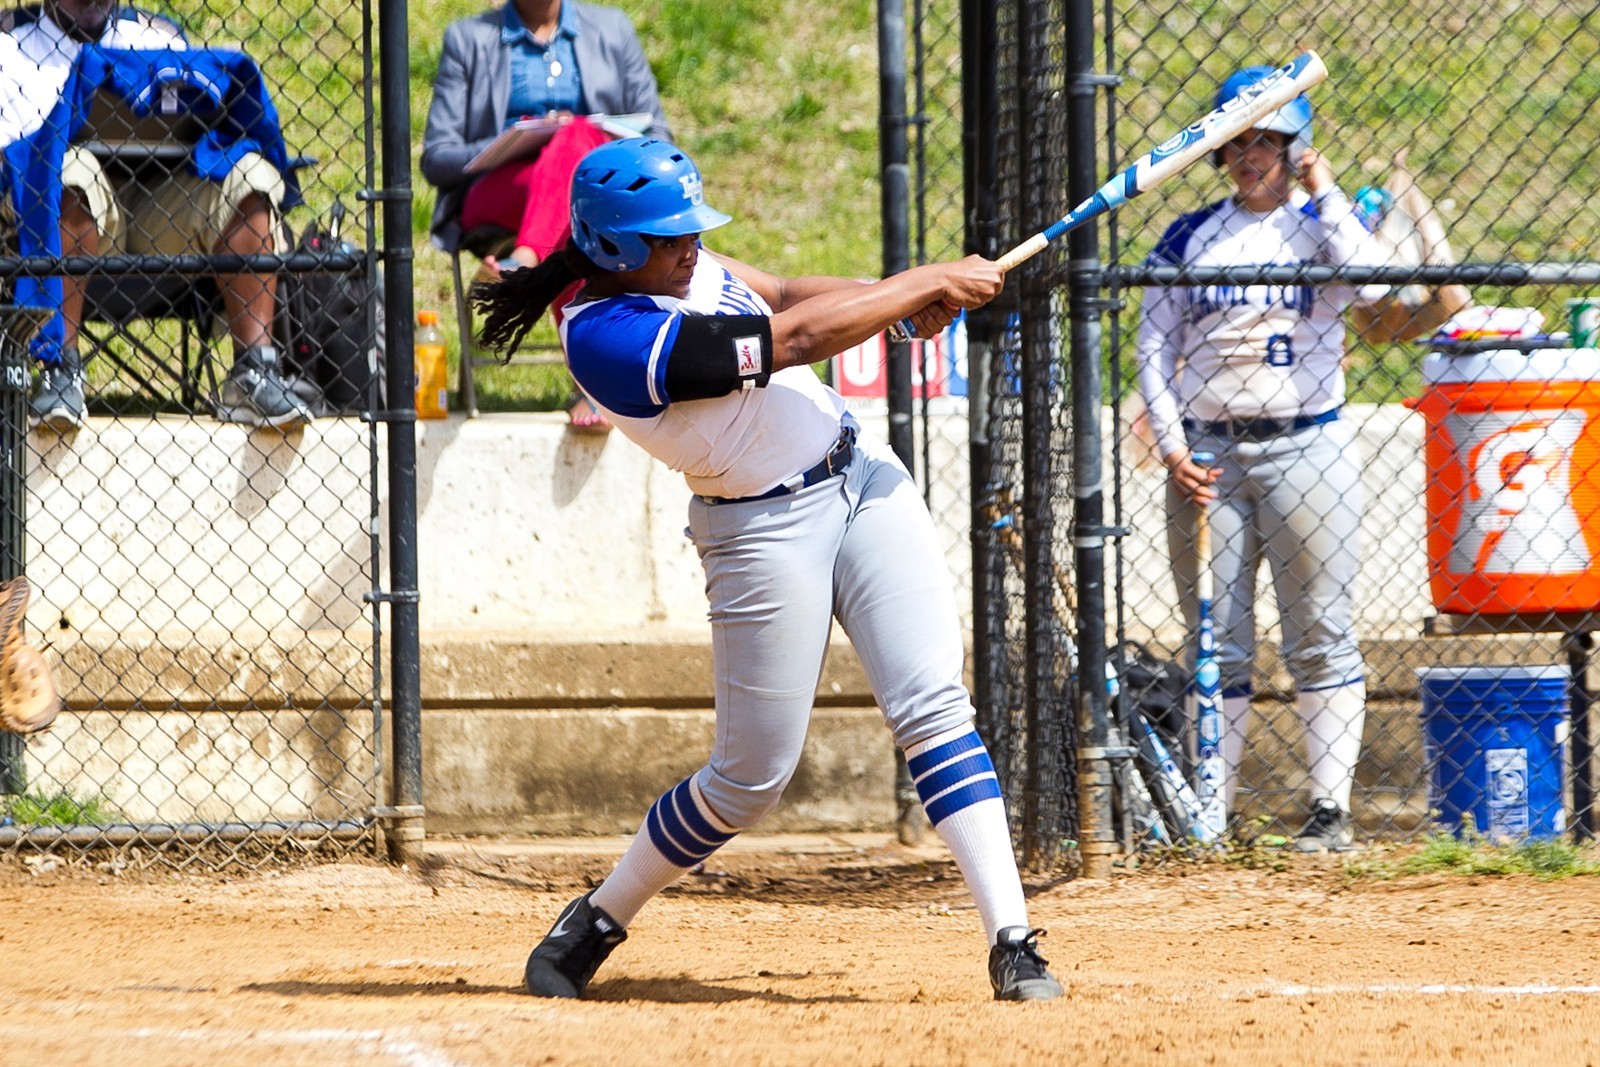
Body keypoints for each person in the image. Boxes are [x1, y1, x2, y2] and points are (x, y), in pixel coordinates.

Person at [472, 137, 1063, 1003]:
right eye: (668, 237)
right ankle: (600, 914)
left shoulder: (681, 267)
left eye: (688, 232)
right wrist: (925, 279)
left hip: (860, 479)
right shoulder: (608, 338)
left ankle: (1014, 940)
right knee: (748, 780)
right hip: (761, 533)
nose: (689, 247)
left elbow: (786, 294)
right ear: (611, 250)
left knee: (933, 704)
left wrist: (897, 307)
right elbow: (789, 336)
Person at [1134, 67, 1392, 853]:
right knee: (1217, 637)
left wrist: (1326, 188)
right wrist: (1174, 446)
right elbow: (1153, 347)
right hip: (1207, 452)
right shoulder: (1188, 238)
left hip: (1306, 443)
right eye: (1238, 141)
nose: (1253, 156)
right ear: (1217, 151)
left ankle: (1329, 810)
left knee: (1319, 630)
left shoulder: (1321, 227)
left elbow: (1374, 284)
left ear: (1296, 147)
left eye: (1270, 142)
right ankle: (1212, 814)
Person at [1, 0, 311, 429]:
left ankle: (253, 372)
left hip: (158, 206)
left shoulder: (154, 37)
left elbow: (205, 124)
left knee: (250, 176)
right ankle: (61, 371)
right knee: (70, 170)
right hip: (57, 218)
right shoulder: (8, 42)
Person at [419, 0, 669, 432]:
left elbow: (658, 134)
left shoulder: (612, 29)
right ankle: (595, 380)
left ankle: (526, 263)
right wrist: (519, 138)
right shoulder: (469, 39)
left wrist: (585, 136)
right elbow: (437, 157)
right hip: (499, 190)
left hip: (592, 186)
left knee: (576, 151)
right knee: (579, 200)